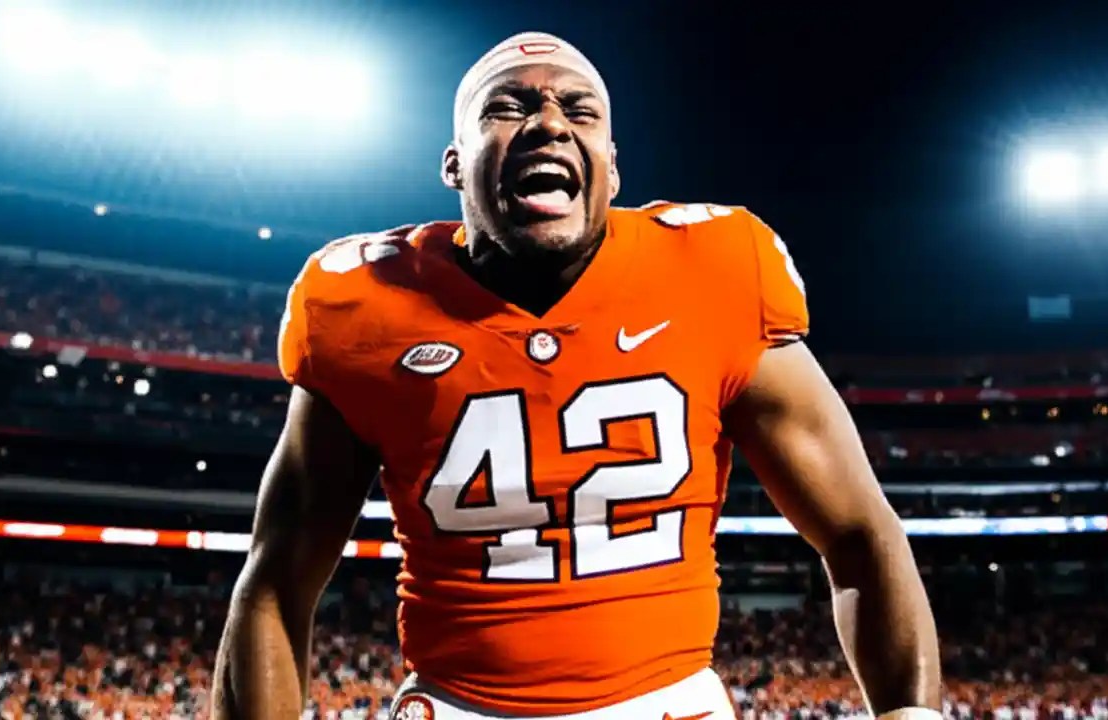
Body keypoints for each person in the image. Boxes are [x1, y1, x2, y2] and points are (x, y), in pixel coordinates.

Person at [213, 31, 942, 720]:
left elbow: (858, 533)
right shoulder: (362, 304)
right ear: (455, 164)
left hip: (669, 700)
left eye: (579, 109)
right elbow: (277, 583)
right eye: (509, 106)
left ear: (613, 166)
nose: (549, 123)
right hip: (459, 703)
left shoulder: (716, 271)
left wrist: (911, 710)